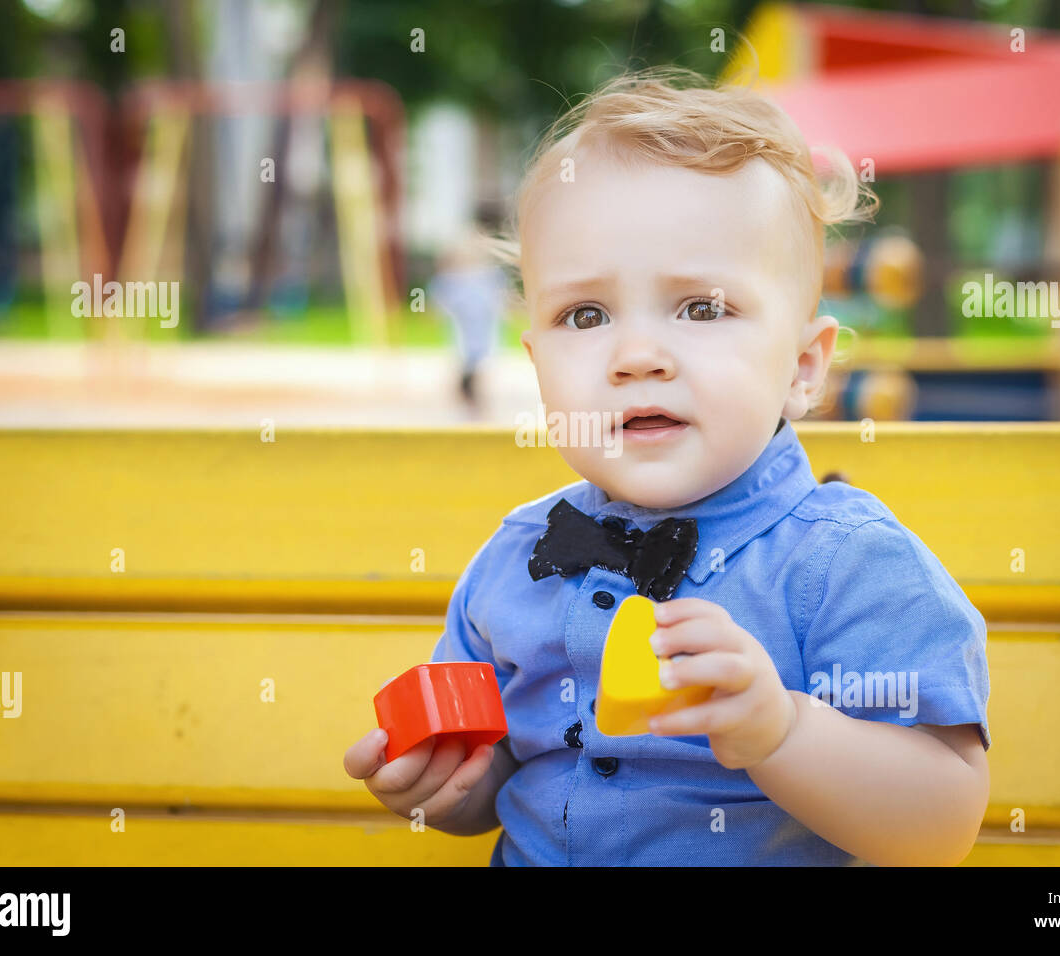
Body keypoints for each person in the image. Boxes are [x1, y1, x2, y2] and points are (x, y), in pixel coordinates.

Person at [345, 67, 990, 866]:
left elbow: (941, 825)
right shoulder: (514, 562)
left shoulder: (847, 565)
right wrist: (444, 786)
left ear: (804, 366)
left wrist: (780, 732)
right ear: (537, 359)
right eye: (585, 315)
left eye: (701, 308)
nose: (637, 356)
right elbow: (508, 774)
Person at [426, 200, 510, 408]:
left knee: (473, 348)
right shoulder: (479, 243)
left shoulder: (468, 241)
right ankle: (471, 393)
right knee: (474, 347)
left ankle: (470, 392)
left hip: (470, 298)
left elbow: (445, 267)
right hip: (471, 296)